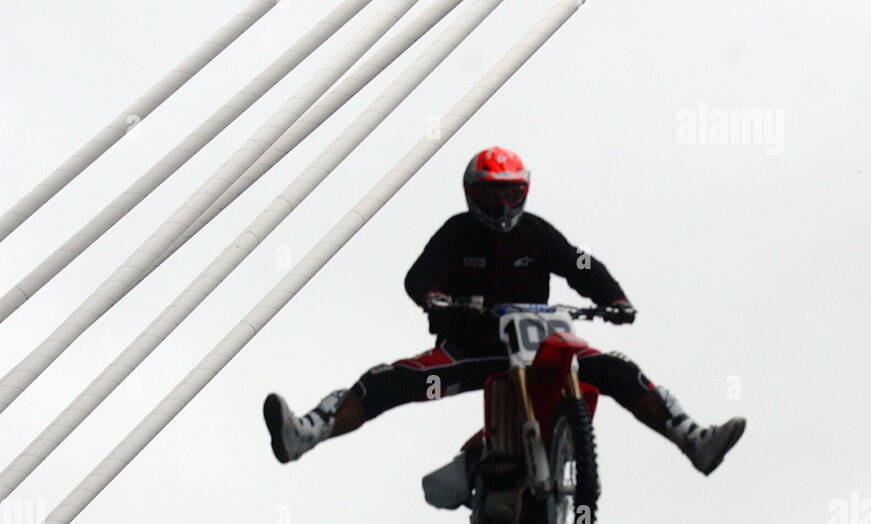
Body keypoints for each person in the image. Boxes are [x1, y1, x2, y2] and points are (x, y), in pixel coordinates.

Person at [263, 147, 745, 477]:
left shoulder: (536, 232)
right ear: (474, 193)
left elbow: (579, 262)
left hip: (541, 346)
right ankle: (307, 432)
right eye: (493, 193)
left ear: (525, 192)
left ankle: (693, 440)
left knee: (618, 369)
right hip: (471, 348)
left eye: (512, 192)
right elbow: (420, 275)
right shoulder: (457, 233)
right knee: (389, 379)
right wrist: (434, 297)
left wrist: (612, 298)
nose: (503, 203)